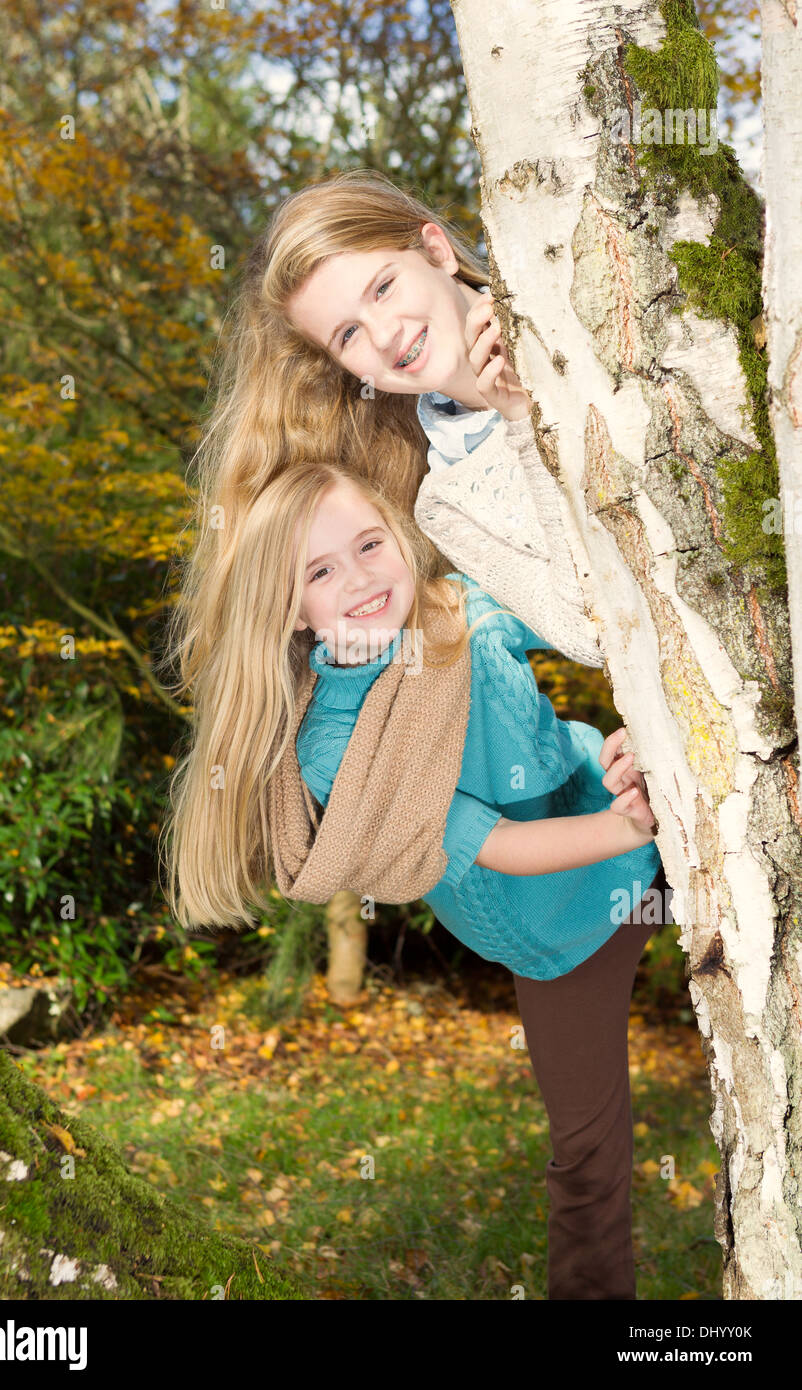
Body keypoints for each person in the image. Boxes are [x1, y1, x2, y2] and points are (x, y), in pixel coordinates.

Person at [159, 459, 670, 1301]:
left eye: (368, 544)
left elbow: (596, 616)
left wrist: (643, 733)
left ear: (398, 537)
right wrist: (628, 825)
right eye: (320, 571)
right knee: (588, 1146)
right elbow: (498, 844)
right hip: (554, 923)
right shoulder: (336, 744)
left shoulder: (455, 607)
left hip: (616, 808)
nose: (358, 578)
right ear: (291, 608)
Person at [185, 167, 603, 667]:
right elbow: (588, 636)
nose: (383, 336)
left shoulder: (584, 297)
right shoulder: (446, 502)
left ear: (436, 251)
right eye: (348, 335)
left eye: (383, 288)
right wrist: (522, 424)